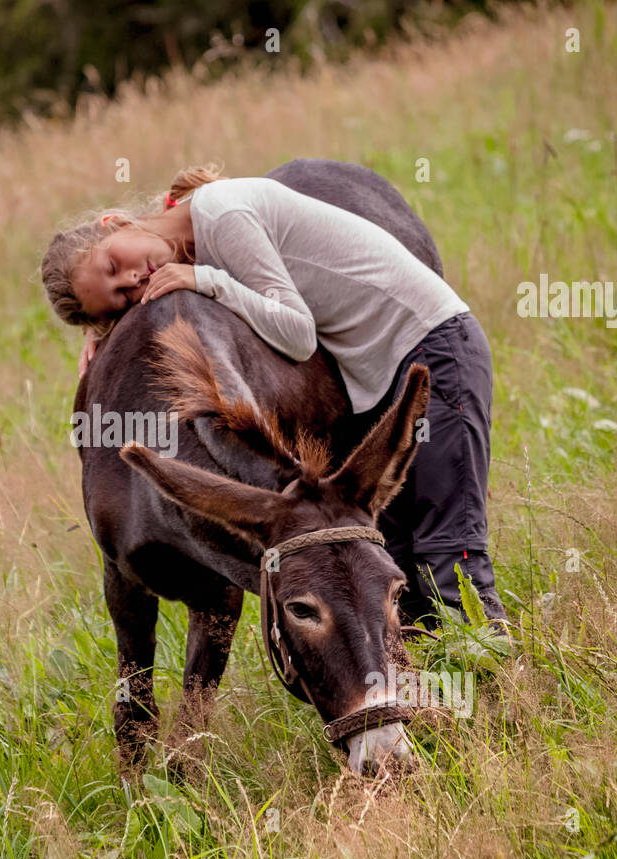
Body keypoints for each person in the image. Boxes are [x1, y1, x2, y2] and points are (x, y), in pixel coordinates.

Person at [40, 163, 508, 630]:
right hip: (383, 374)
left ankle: (492, 685)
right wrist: (104, 332)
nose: (134, 280)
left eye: (112, 265)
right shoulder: (196, 239)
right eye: (121, 295)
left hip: (433, 348)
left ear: (113, 223)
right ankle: (421, 692)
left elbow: (299, 334)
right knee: (395, 554)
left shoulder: (221, 217)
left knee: (449, 547)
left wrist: (205, 281)